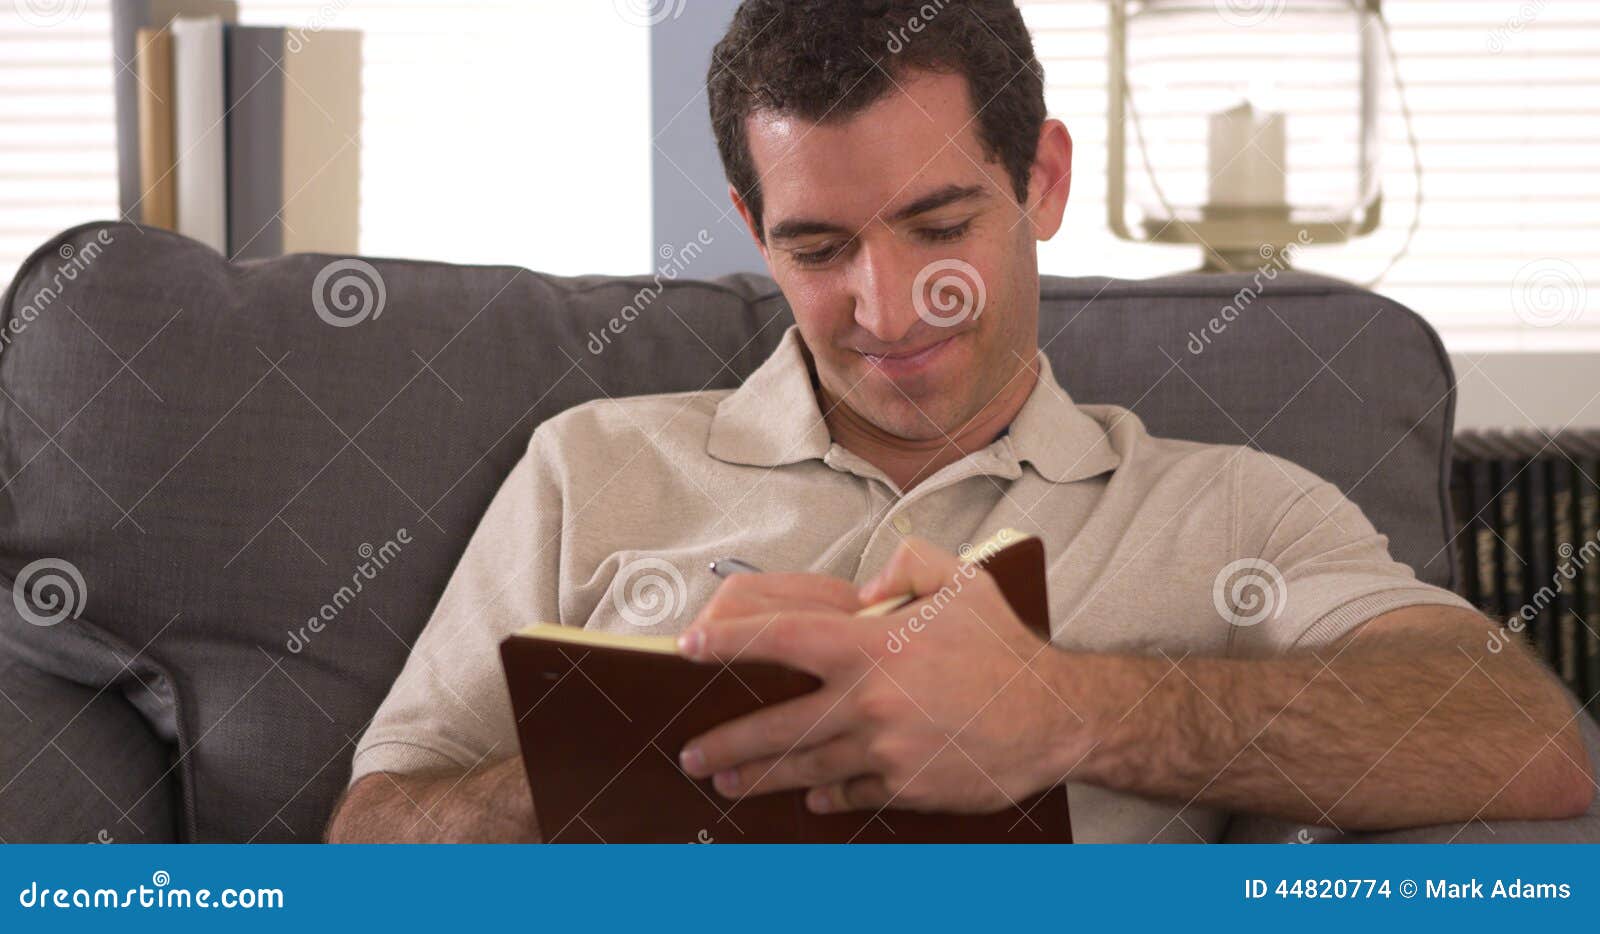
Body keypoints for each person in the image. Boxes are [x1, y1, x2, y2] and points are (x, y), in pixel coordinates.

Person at [326, 0, 1592, 843]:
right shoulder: (592, 462)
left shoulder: (1231, 511)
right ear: (750, 223)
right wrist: (644, 759)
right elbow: (373, 832)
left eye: (939, 229)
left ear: (1040, 180)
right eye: (816, 246)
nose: (888, 308)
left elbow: (1529, 746)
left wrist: (1068, 709)